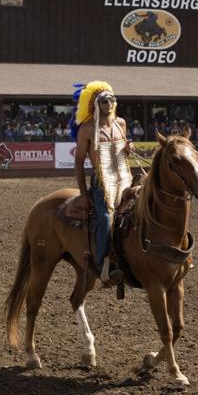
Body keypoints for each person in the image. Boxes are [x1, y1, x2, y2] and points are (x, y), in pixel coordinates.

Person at [62, 81, 131, 284]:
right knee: (104, 217)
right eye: (104, 100)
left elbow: (123, 152)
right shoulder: (87, 129)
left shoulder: (122, 124)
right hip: (102, 182)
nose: (109, 103)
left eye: (111, 99)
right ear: (94, 104)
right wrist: (84, 193)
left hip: (125, 178)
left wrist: (127, 148)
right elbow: (78, 162)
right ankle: (102, 266)